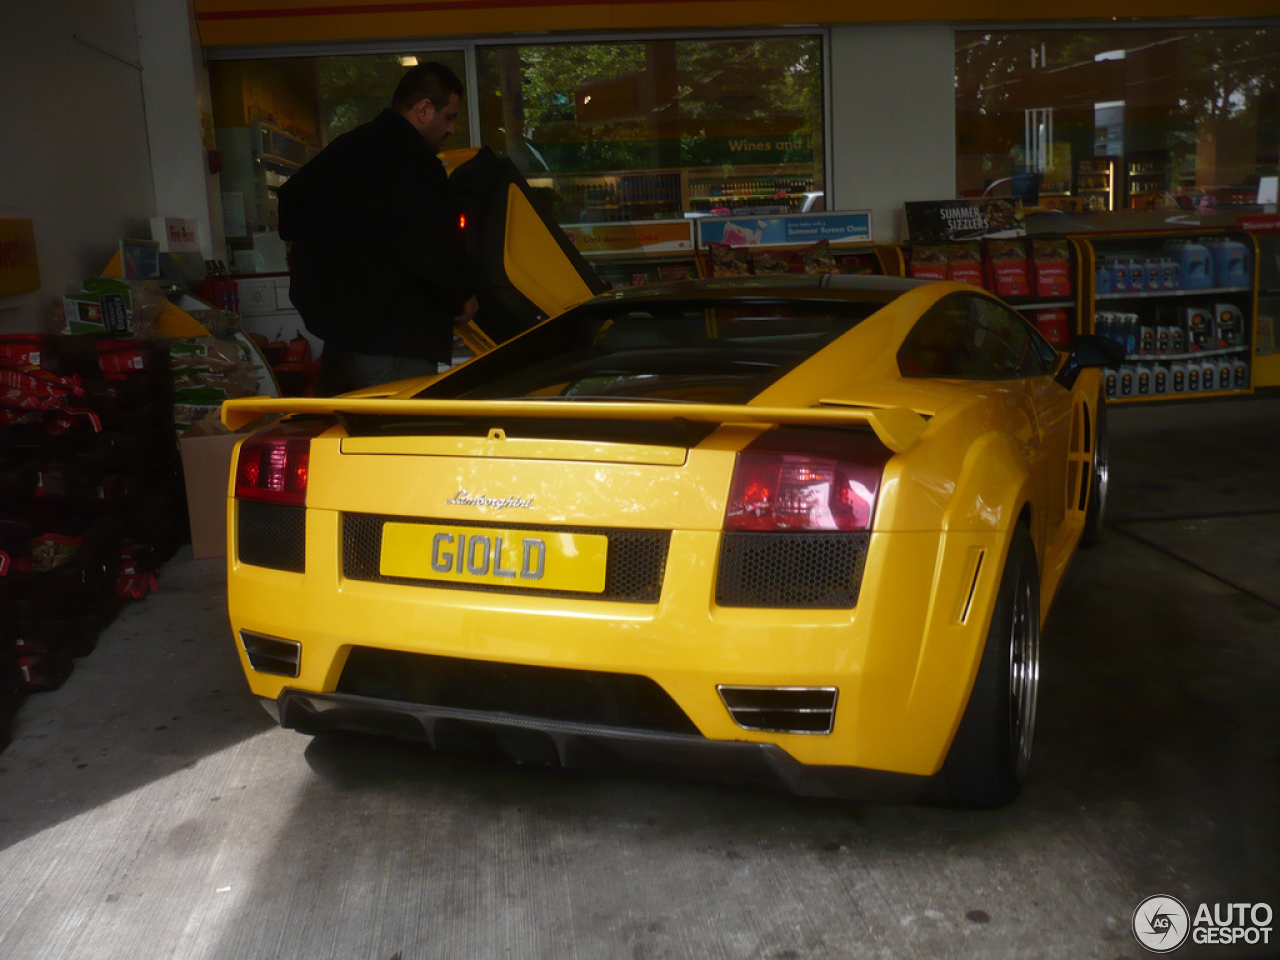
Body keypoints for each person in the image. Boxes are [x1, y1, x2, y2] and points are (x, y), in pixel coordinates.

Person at [278, 61, 480, 395]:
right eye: (450, 117)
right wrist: (462, 297)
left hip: (341, 343)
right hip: (396, 341)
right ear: (424, 109)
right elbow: (430, 246)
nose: (451, 130)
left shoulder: (347, 149)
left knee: (349, 442)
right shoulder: (414, 163)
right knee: (399, 441)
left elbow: (290, 210)